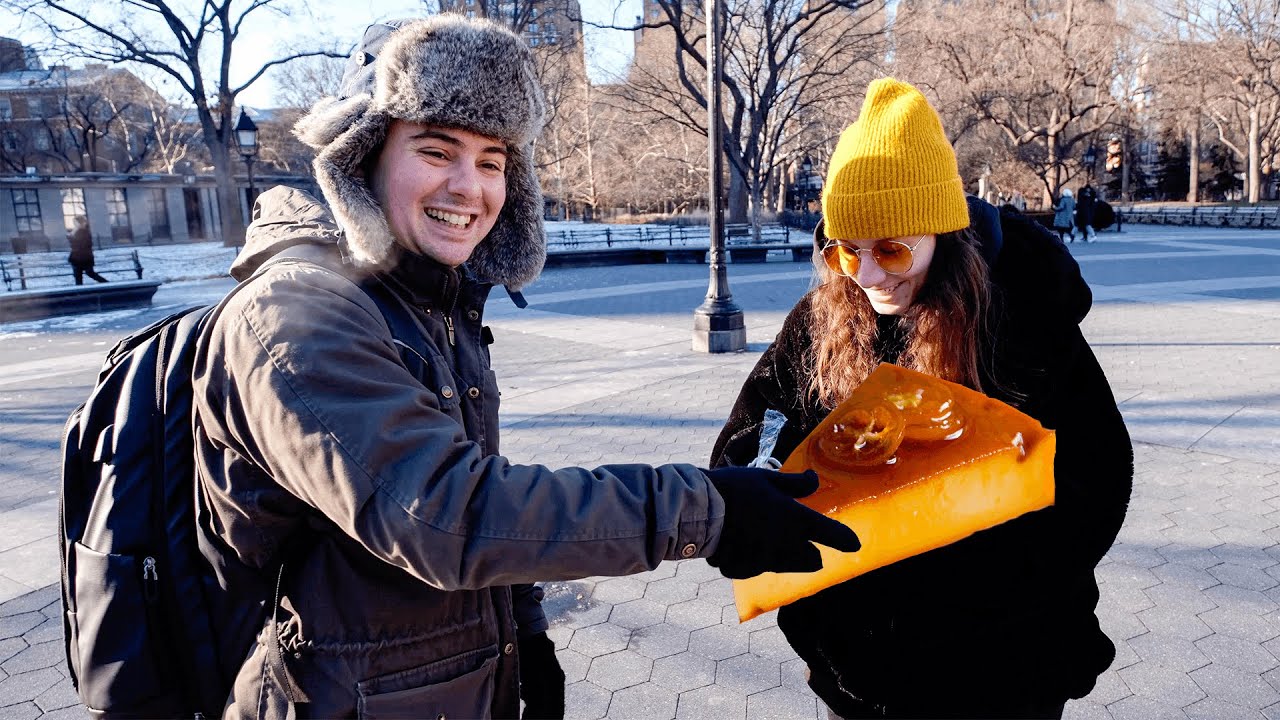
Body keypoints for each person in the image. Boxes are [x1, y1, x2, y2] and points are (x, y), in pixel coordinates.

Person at [190, 16, 860, 719]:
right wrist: (708, 510)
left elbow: (485, 494)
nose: (469, 187)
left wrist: (525, 634)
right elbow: (444, 514)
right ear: (363, 155)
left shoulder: (432, 302)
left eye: (492, 161)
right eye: (436, 150)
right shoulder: (295, 312)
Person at [711, 78, 1132, 719]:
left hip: (1002, 667)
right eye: (846, 251)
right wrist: (759, 493)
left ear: (944, 234)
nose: (868, 275)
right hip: (855, 667)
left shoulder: (1023, 318)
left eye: (891, 249)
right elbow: (760, 421)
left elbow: (1095, 480)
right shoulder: (826, 314)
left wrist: (967, 572)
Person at [67, 215, 108, 284]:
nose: (74, 224)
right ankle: (106, 283)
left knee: (86, 273)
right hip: (79, 257)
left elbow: (82, 244)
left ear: (80, 222)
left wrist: (71, 238)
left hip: (83, 257)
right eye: (74, 222)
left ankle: (106, 284)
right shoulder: (77, 231)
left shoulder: (83, 231)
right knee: (81, 275)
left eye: (76, 222)